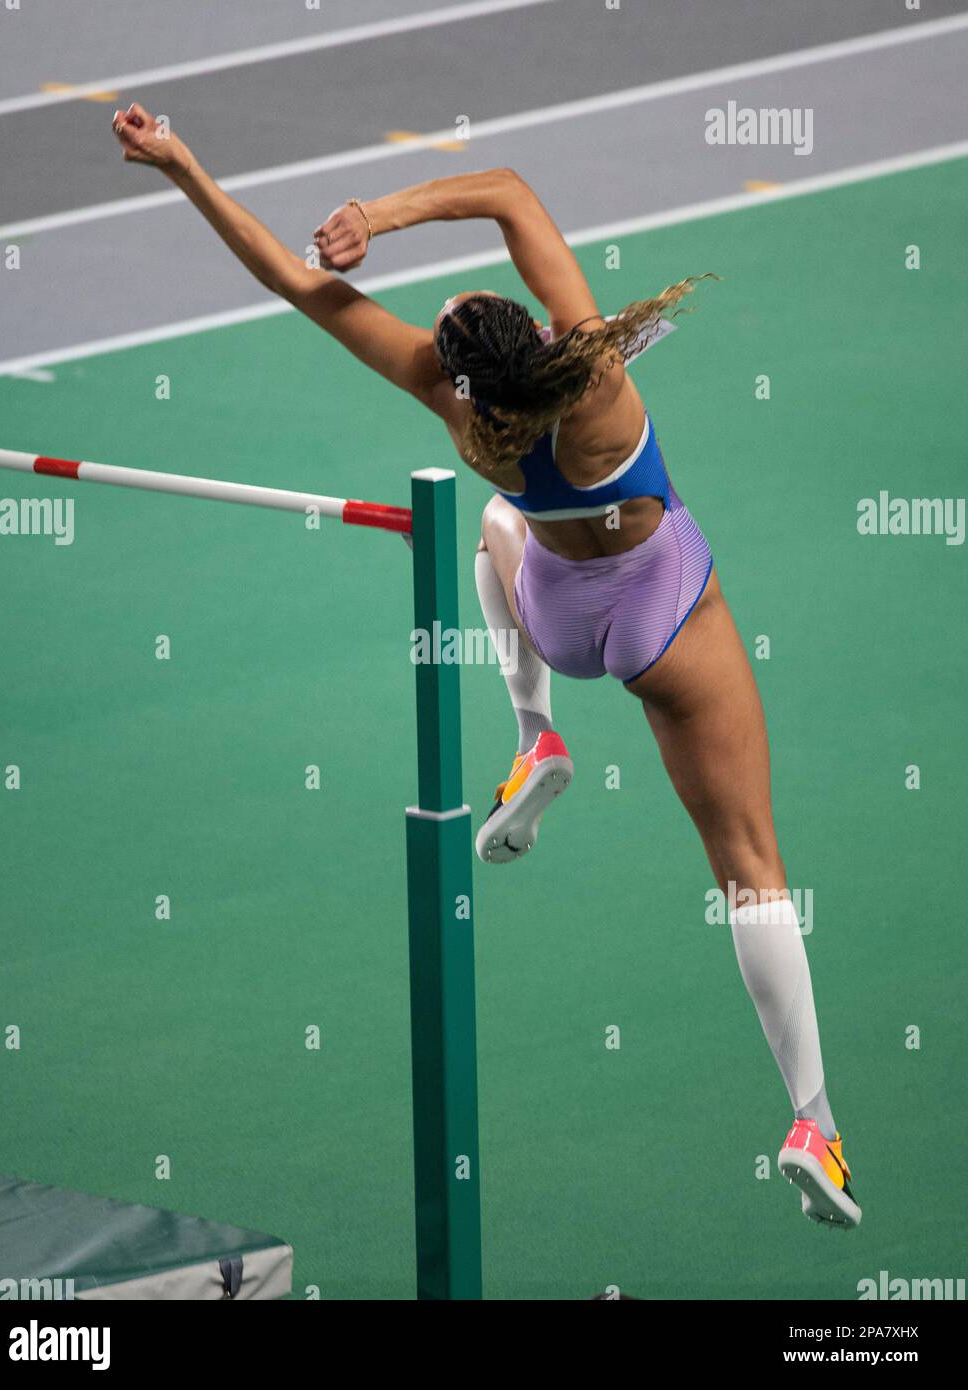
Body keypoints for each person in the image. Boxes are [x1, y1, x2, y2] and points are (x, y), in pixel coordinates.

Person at [111, 103, 860, 1229]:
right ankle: (814, 1120)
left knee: (493, 532)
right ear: (529, 337)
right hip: (663, 610)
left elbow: (287, 280)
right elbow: (507, 190)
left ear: (468, 373)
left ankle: (534, 733)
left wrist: (180, 163)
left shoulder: (450, 405)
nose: (455, 303)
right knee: (748, 861)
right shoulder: (594, 373)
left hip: (553, 610)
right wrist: (384, 212)